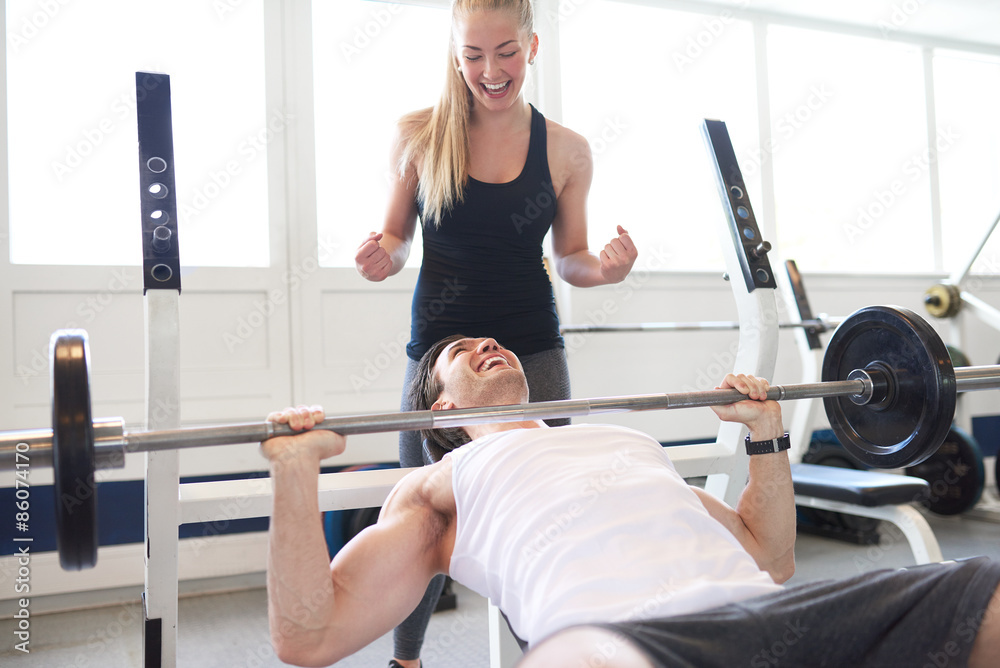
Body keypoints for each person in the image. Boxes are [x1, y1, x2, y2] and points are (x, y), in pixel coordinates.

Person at [262, 335, 1000, 668]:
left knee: (982, 592)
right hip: (624, 646)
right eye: (463, 351)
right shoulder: (441, 484)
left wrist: (766, 433)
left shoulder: (625, 440)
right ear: (442, 410)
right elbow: (309, 636)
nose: (489, 344)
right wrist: (294, 477)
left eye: (493, 341)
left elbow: (770, 556)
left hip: (772, 621)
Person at [354, 2, 637, 663]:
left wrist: (606, 270)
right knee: (423, 514)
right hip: (439, 350)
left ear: (531, 47)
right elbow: (396, 237)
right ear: (455, 58)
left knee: (545, 509)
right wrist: (382, 258)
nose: (491, 70)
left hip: (529, 345)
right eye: (473, 55)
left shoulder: (567, 150)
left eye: (506, 52)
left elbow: (571, 257)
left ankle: (558, 653)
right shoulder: (418, 136)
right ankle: (406, 658)